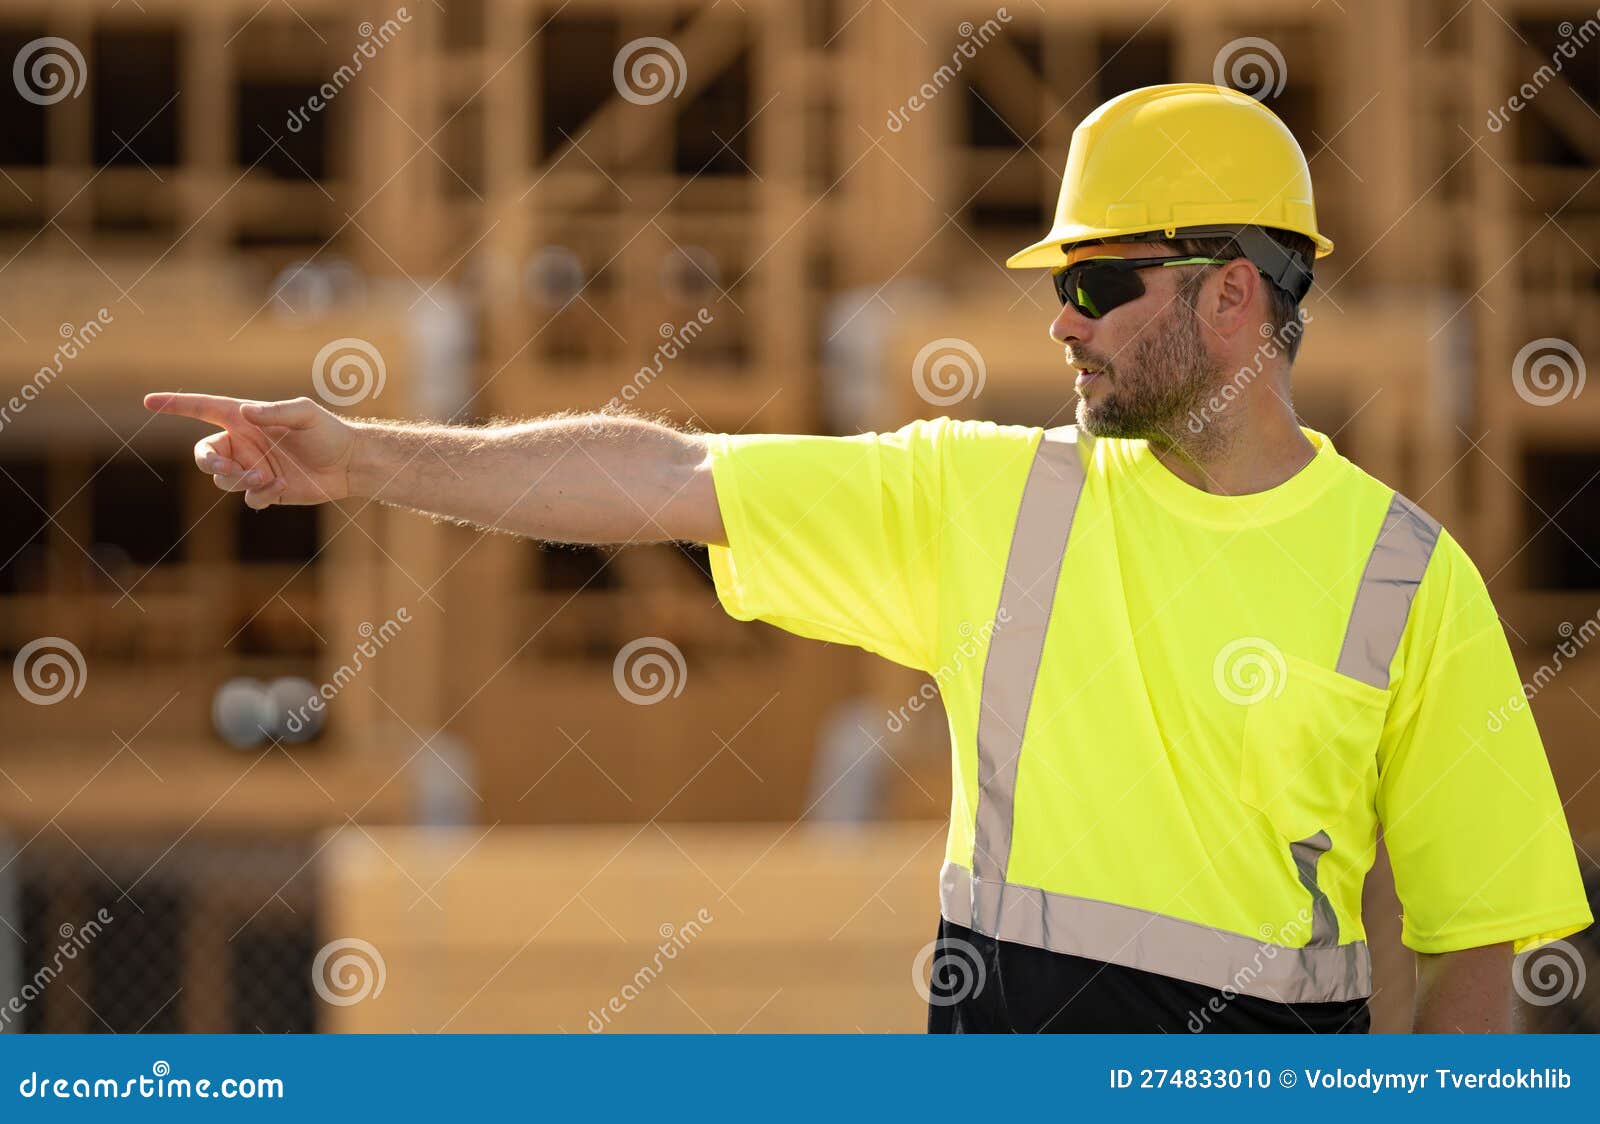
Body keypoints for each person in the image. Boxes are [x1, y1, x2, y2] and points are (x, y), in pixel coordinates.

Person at [147, 83, 1592, 1033]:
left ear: (1229, 298)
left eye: (1093, 282)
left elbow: (1481, 945)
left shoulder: (1411, 581)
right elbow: (665, 476)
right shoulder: (991, 503)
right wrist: (363, 453)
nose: (1061, 323)